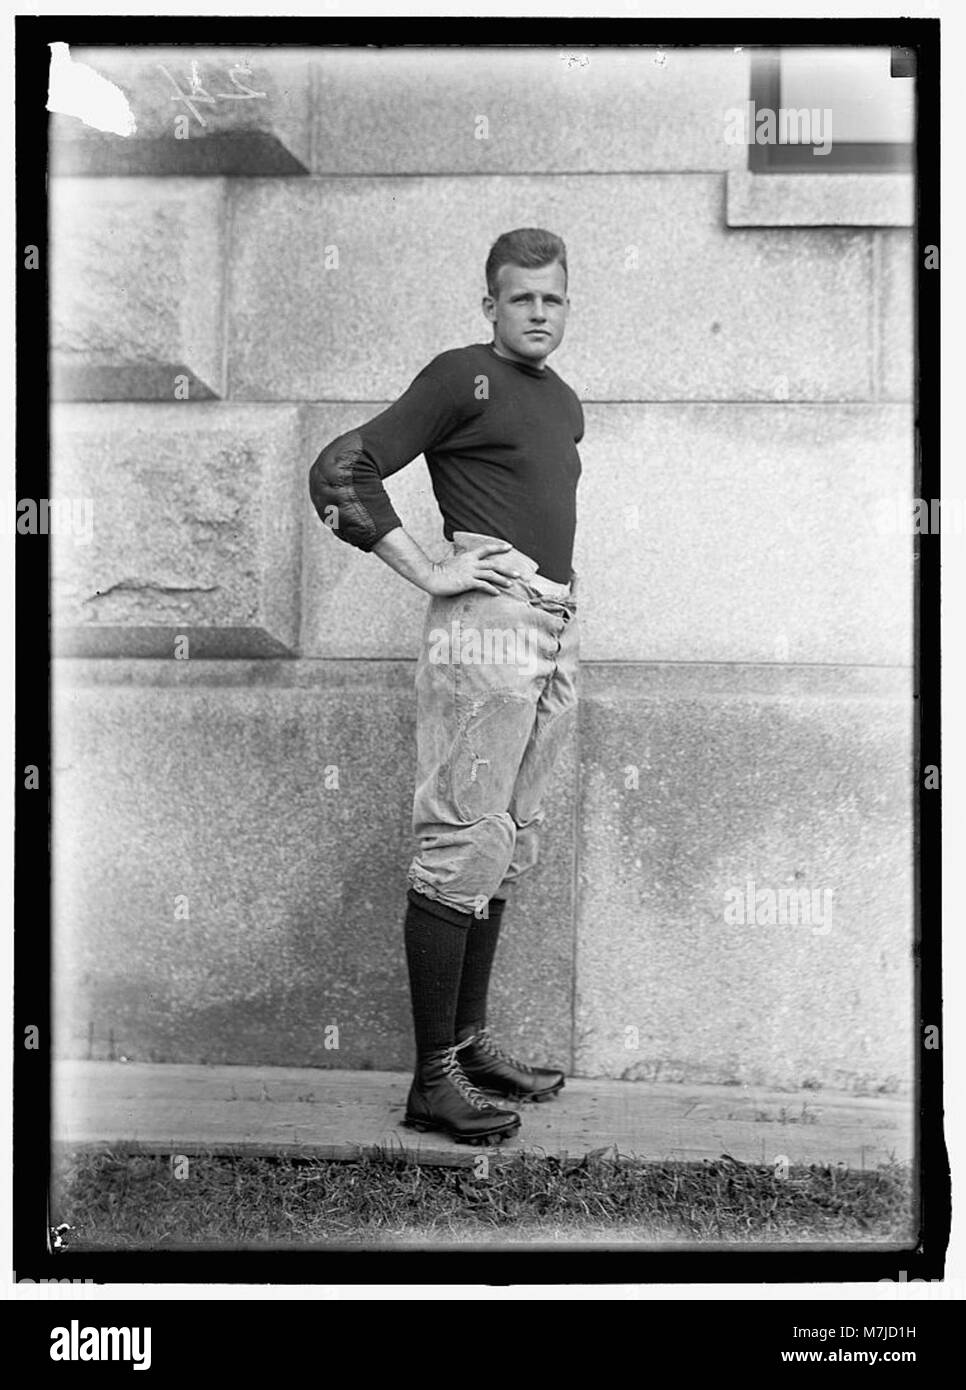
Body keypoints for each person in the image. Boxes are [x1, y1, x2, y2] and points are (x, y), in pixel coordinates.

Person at [308, 227, 584, 1146]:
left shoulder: (565, 402)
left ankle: (467, 1048)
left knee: (504, 839)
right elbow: (342, 466)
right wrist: (427, 571)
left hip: (551, 626)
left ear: (566, 305)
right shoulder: (459, 375)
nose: (537, 313)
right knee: (460, 835)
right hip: (489, 630)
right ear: (491, 306)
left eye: (552, 298)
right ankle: (432, 1081)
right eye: (520, 298)